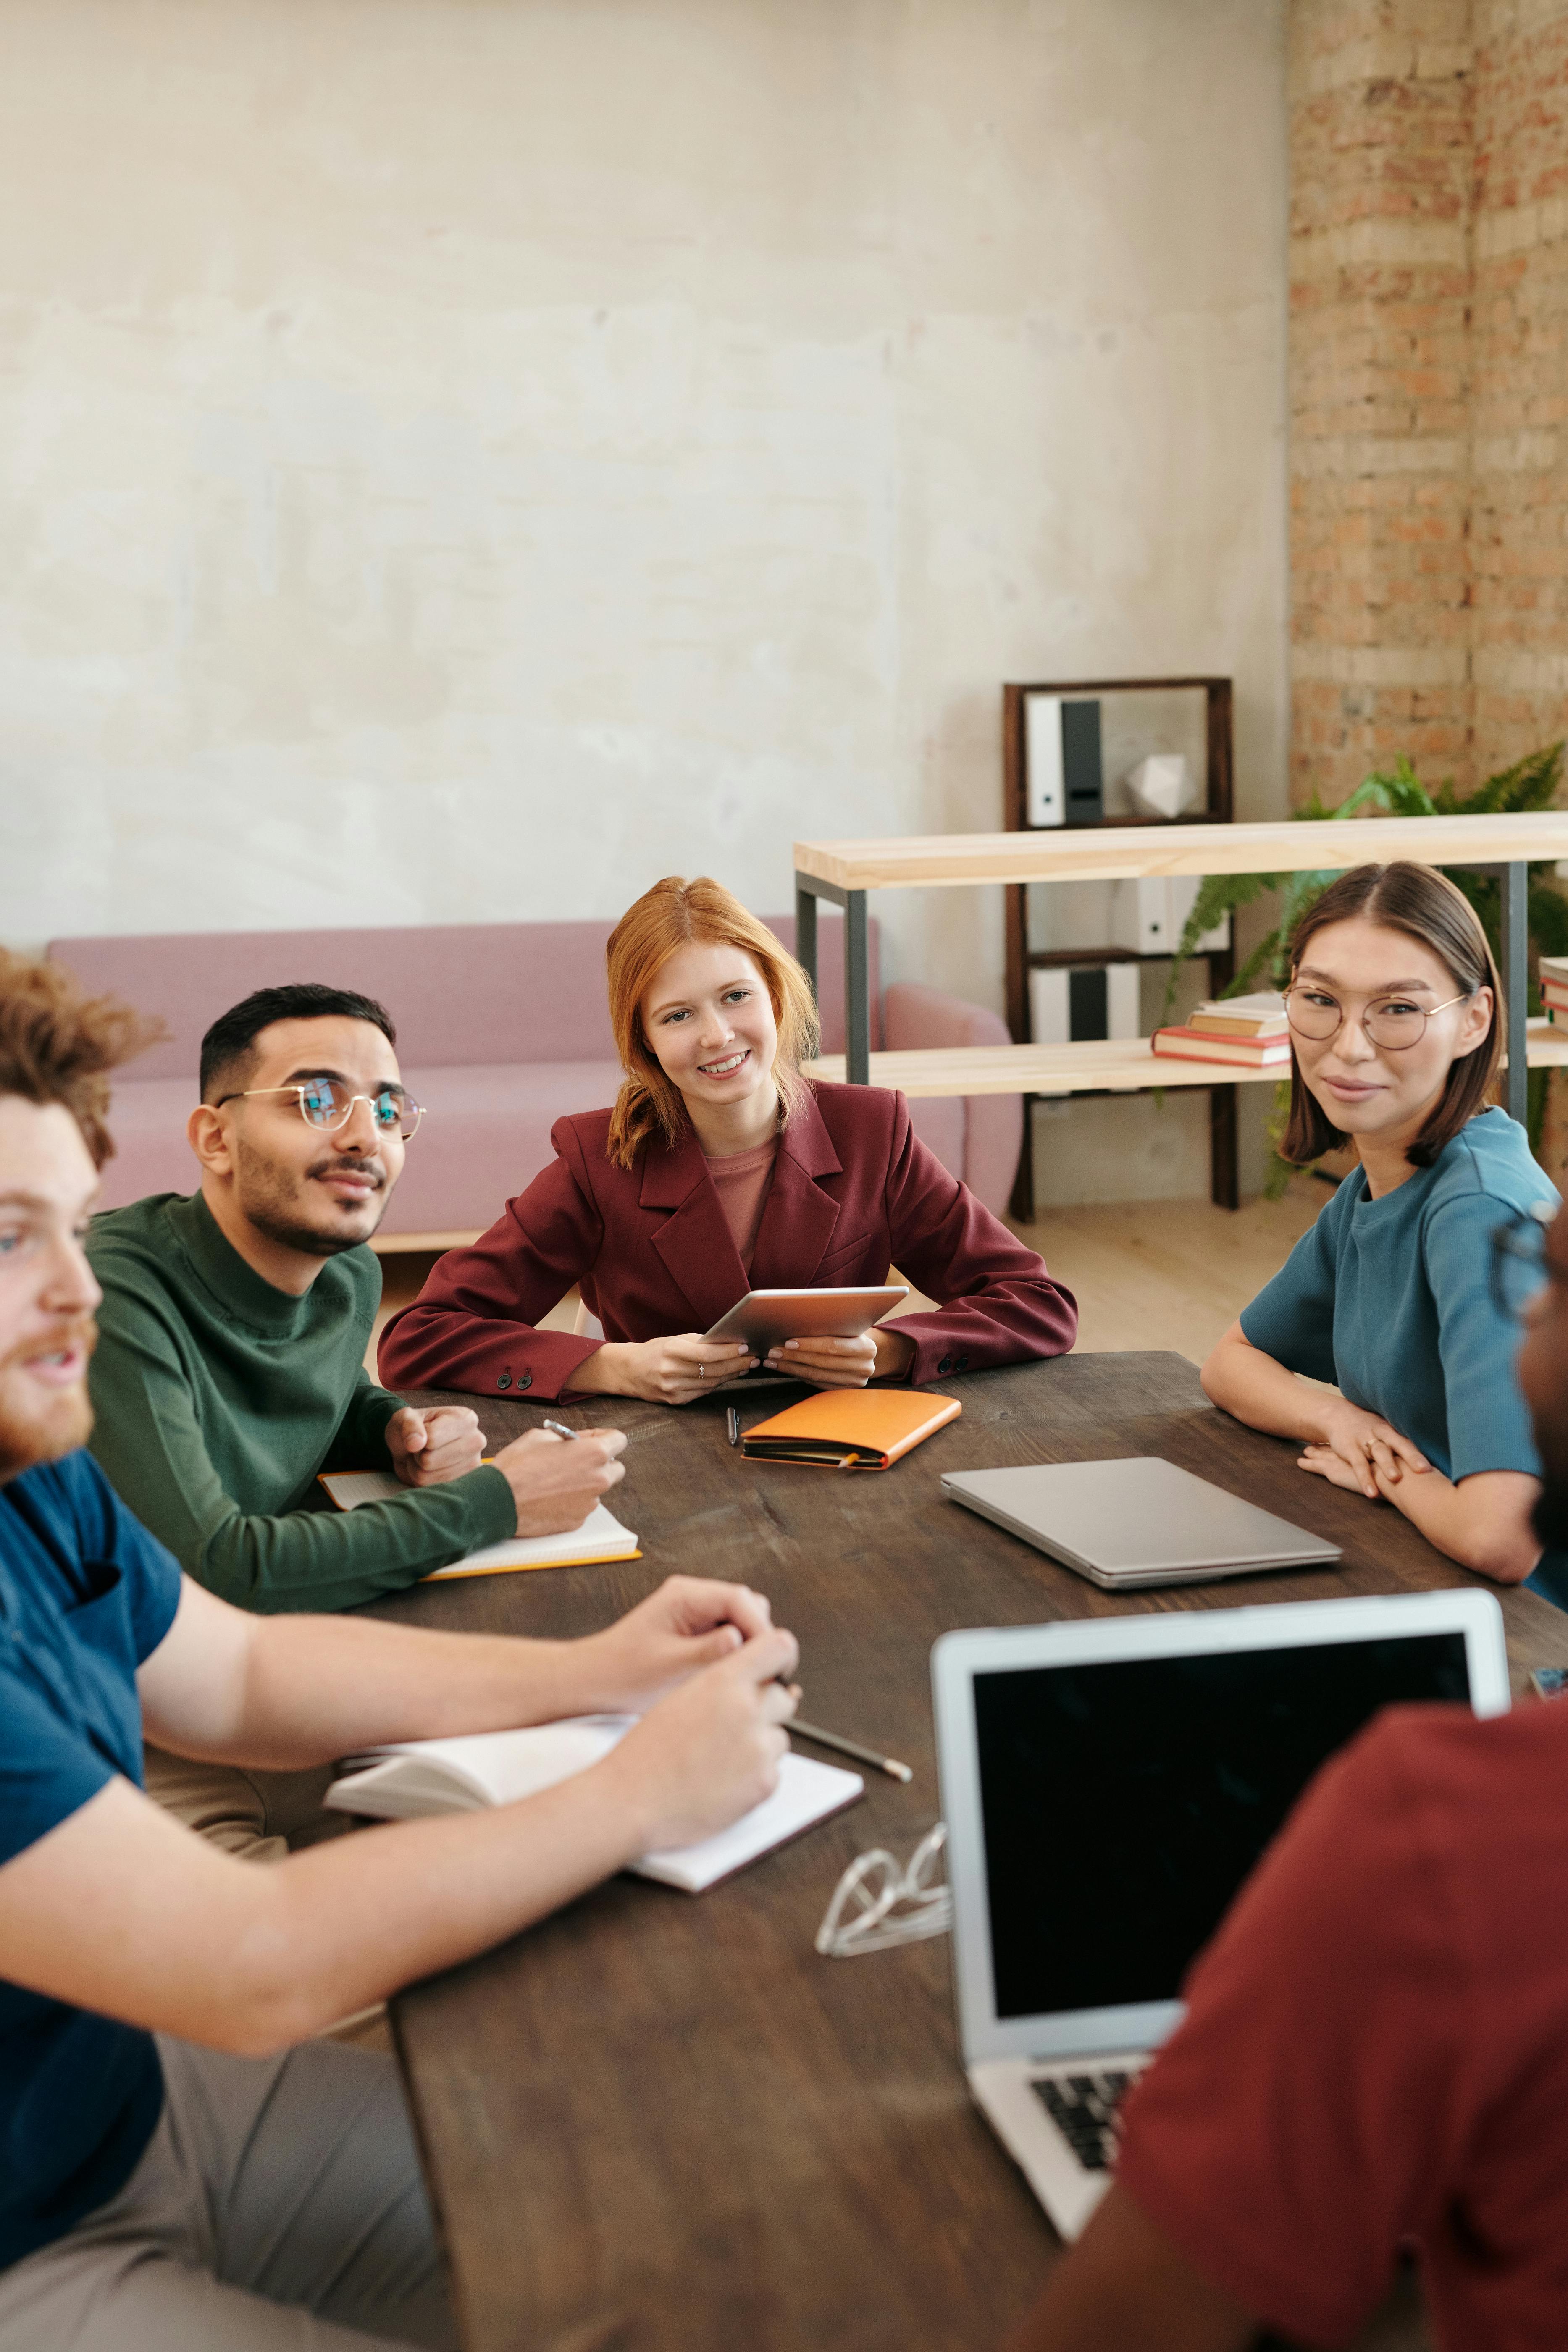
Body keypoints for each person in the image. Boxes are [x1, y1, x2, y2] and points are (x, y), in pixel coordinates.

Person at [0, 947, 798, 2349]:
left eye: (69, 1225)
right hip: (26, 2252)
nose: (75, 1287)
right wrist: (633, 1792)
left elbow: (234, 1672)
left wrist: (599, 1668)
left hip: (126, 2104)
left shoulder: (30, 1459)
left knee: (657, 2236)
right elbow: (249, 1960)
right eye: (13, 1238)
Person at [1005, 1189, 1568, 2351]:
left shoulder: (1456, 1838)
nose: (1522, 1338)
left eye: (1548, 1281)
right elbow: (1237, 1357)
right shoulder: (1365, 1200)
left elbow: (1122, 2324)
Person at [81, 979, 633, 1855]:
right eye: (316, 1099)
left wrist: (387, 1425)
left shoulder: (346, 1275)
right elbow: (218, 1568)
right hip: (132, 1731)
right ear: (214, 1139)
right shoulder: (114, 1293)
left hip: (291, 1687)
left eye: (385, 1106)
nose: (361, 1133)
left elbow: (306, 1396)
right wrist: (497, 1502)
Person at [380, 875, 1076, 1404]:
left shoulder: (873, 1132)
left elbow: (1038, 1303)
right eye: (678, 1014)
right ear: (645, 1042)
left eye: (736, 996)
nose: (717, 1036)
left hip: (841, 1448)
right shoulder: (596, 1161)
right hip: (660, 1457)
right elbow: (419, 1339)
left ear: (776, 994)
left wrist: (892, 1350)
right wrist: (613, 1366)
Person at [1201, 859, 1557, 1586]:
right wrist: (1341, 1423)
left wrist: (1384, 1472)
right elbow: (1230, 1363)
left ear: (1474, 1021)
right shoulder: (1381, 1181)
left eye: (1396, 1009)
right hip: (1425, 1569)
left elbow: (1502, 1537)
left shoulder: (1478, 1211)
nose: (1348, 1045)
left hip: (1536, 1642)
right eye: (1318, 999)